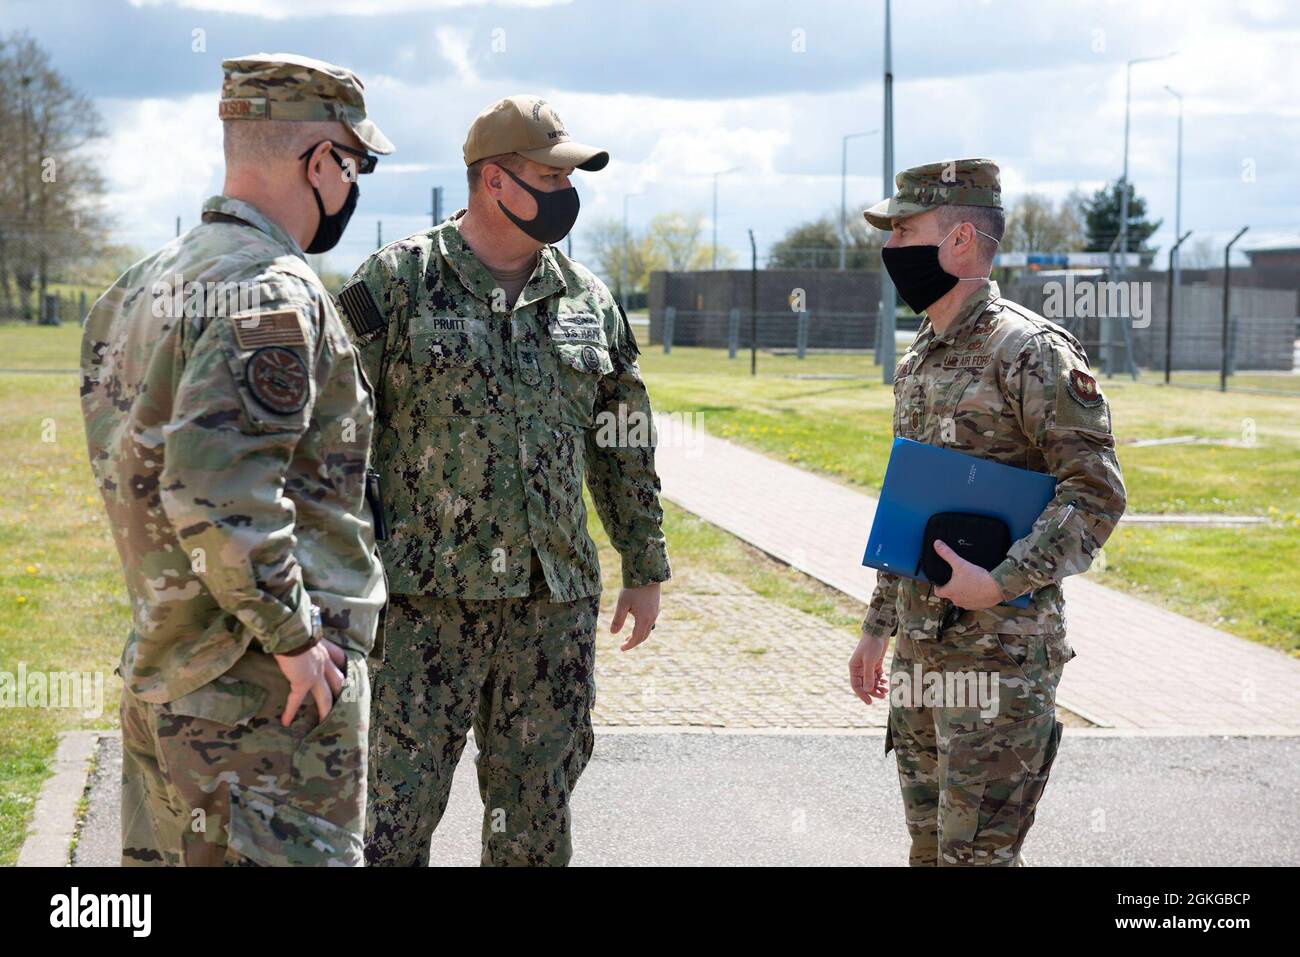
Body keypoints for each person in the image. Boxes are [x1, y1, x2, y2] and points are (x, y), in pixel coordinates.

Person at [338, 95, 671, 866]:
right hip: (423, 609)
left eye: (570, 177)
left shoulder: (588, 297)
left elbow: (622, 441)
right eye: (548, 176)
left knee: (533, 828)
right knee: (392, 823)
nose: (565, 192)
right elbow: (332, 436)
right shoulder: (397, 284)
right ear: (492, 181)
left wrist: (644, 564)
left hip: (549, 613)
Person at [80, 53, 392, 866]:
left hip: (168, 671)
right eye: (354, 167)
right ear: (323, 161)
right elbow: (217, 489)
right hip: (261, 698)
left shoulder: (145, 282)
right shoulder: (271, 289)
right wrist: (293, 637)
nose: (352, 189)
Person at [847, 158, 1127, 866]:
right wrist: (877, 629)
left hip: (999, 660)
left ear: (961, 240)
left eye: (904, 230)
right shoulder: (921, 356)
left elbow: (1095, 492)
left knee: (977, 859)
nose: (890, 249)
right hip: (919, 652)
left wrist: (1000, 580)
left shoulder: (1030, 352)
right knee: (930, 851)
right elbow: (911, 503)